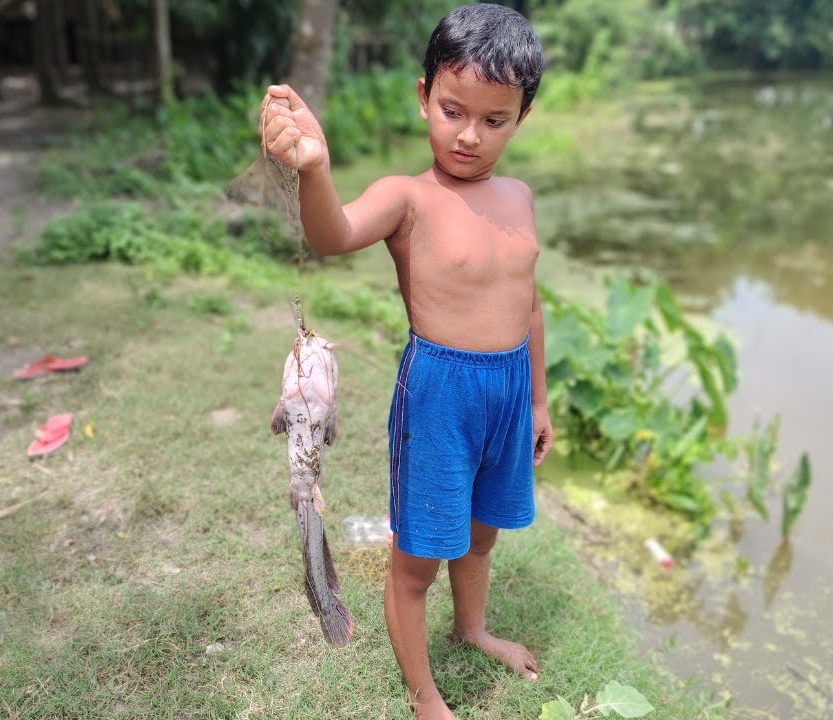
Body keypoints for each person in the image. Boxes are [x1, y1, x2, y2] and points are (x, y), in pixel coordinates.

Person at [258, 5, 551, 718]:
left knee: (481, 538)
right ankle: (425, 696)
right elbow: (335, 234)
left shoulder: (519, 197)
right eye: (453, 111)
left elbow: (530, 303)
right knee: (419, 558)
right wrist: (316, 169)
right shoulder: (407, 197)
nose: (469, 135)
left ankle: (473, 628)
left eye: (494, 120)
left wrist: (538, 399)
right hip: (441, 395)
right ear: (424, 97)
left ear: (520, 118)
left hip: (508, 390)